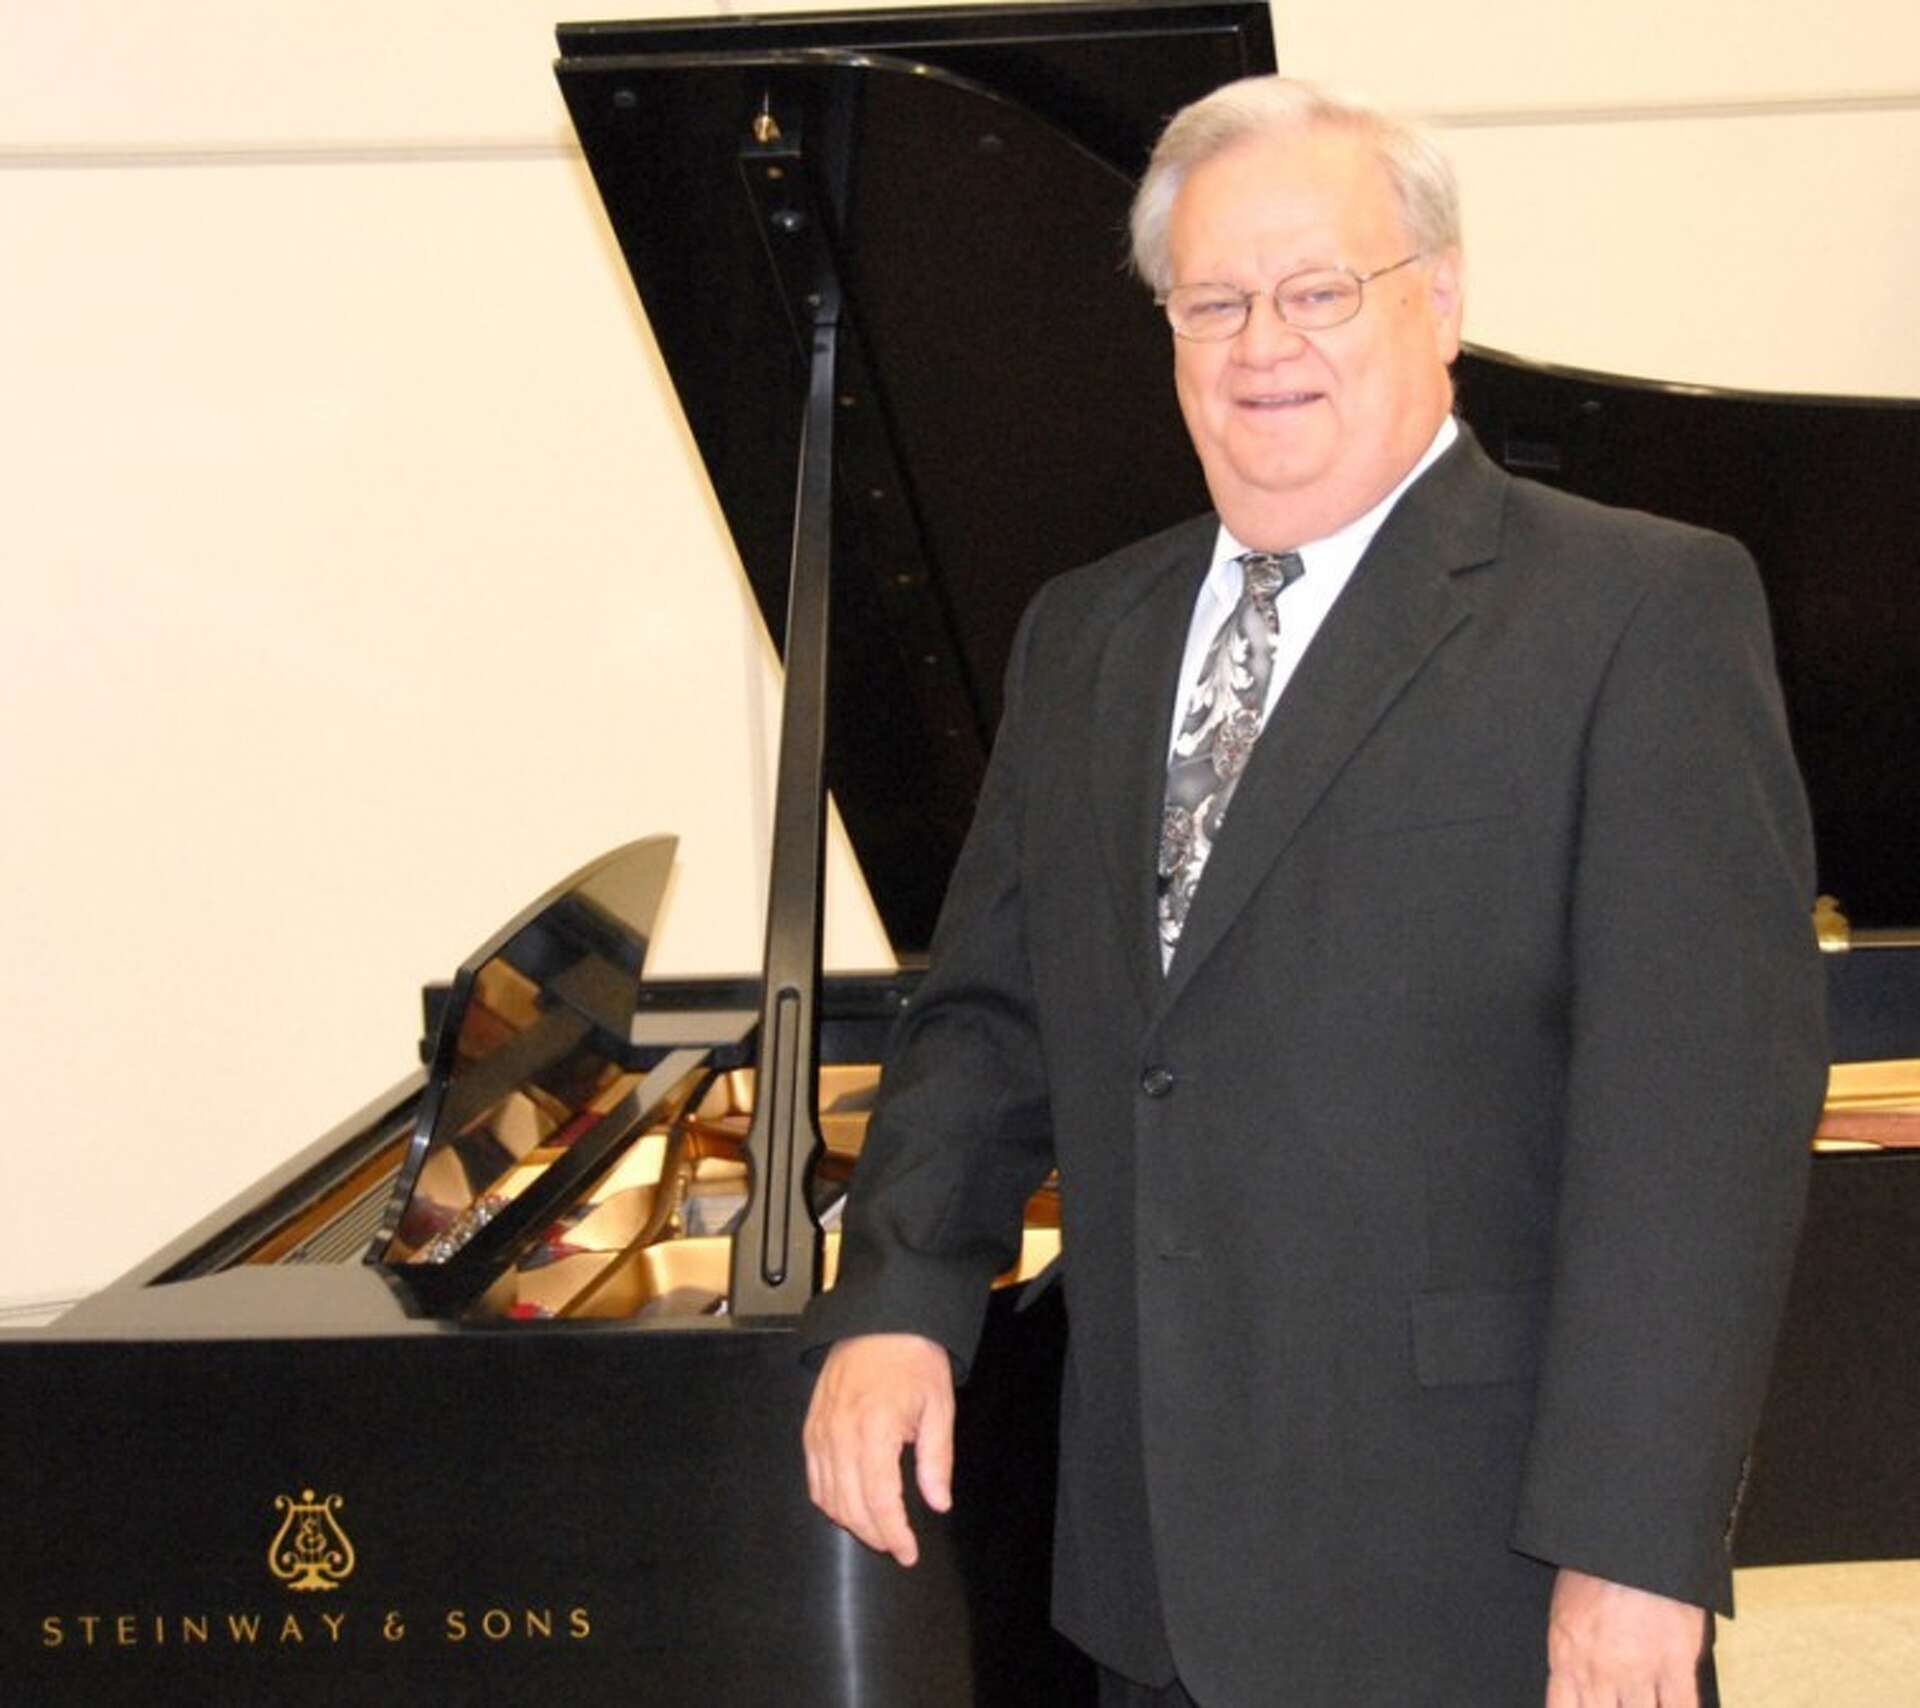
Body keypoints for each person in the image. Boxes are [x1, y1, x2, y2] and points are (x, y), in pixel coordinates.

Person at [798, 75, 1827, 1707]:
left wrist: (1634, 1550)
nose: (1262, 344)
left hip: (1481, 1581)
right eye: (1213, 302)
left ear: (1442, 300)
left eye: (1319, 290)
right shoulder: (1087, 633)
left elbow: (1696, 1135)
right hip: (1145, 1577)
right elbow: (988, 1017)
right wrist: (901, 1299)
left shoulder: (1638, 611)